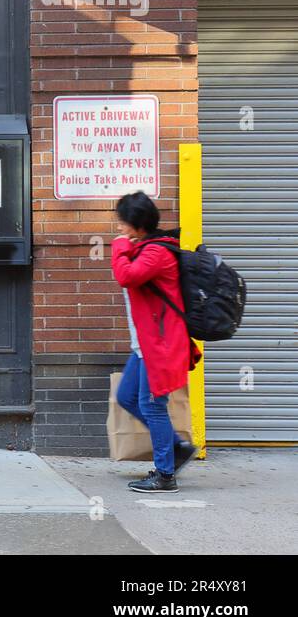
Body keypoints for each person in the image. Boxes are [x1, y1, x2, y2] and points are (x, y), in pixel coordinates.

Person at [110, 190, 201, 493]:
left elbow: (127, 276)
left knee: (153, 406)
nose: (118, 227)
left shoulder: (157, 252)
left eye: (122, 222)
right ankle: (177, 448)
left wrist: (120, 246)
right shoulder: (147, 246)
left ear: (137, 225)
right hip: (145, 344)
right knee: (126, 396)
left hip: (159, 346)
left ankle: (165, 475)